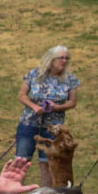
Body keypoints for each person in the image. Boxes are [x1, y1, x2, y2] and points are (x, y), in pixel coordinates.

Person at [15, 45, 80, 176]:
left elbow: (72, 102)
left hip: (53, 128)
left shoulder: (70, 79)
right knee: (21, 162)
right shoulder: (34, 74)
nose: (65, 61)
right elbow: (22, 95)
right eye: (61, 58)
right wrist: (35, 107)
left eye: (67, 58)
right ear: (51, 59)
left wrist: (57, 107)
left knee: (48, 164)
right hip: (29, 123)